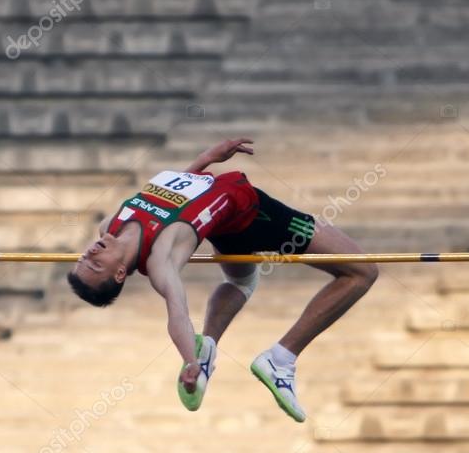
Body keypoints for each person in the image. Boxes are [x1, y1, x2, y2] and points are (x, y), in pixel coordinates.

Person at [67, 138, 377, 422]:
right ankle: (280, 358)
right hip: (258, 215)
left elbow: (172, 196)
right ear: (120, 273)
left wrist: (205, 159)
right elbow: (177, 313)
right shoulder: (161, 259)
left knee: (241, 283)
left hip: (225, 225)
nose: (90, 253)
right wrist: (187, 361)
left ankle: (209, 345)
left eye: (84, 258)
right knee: (361, 272)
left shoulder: (112, 223)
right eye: (95, 265)